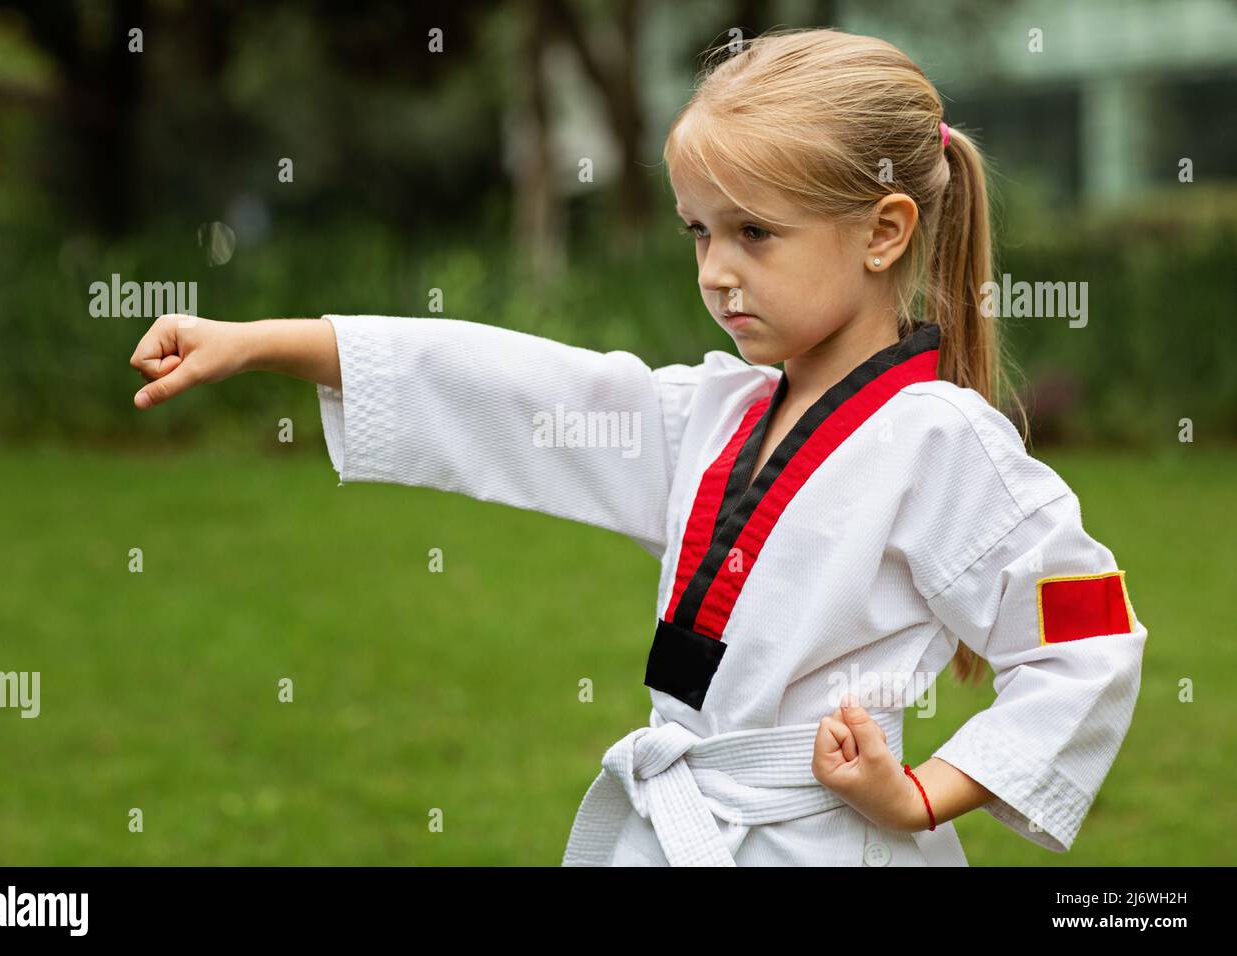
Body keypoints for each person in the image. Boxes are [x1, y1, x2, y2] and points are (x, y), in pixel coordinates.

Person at [128, 27, 1147, 866]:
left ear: (883, 232)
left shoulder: (940, 441)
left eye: (754, 233)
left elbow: (1086, 637)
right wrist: (269, 342)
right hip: (682, 821)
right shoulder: (711, 415)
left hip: (827, 839)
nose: (716, 270)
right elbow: (523, 388)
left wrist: (924, 792)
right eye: (697, 232)